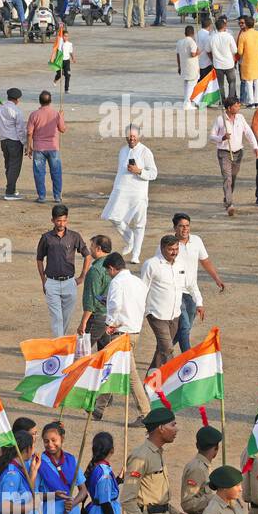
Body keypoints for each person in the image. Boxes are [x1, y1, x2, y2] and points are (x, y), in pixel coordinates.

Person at [100, 126, 156, 265]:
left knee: (139, 225)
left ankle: (136, 254)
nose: (131, 139)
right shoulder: (123, 151)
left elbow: (153, 173)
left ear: (139, 136)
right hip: (121, 191)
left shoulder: (145, 152)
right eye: (129, 136)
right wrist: (115, 189)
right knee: (113, 216)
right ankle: (129, 238)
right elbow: (120, 172)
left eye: (134, 136)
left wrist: (139, 171)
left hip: (139, 194)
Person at [172, 213, 224, 352]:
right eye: (181, 226)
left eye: (187, 226)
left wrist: (216, 278)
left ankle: (163, 351)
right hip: (175, 291)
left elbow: (205, 261)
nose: (185, 229)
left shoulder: (196, 241)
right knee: (184, 326)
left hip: (191, 290)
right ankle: (188, 358)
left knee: (186, 327)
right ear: (175, 228)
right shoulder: (169, 244)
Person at [35, 204, 89, 338]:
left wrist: (82, 276)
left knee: (66, 317)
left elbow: (87, 255)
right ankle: (59, 346)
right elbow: (39, 259)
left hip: (69, 282)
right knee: (57, 318)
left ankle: (60, 341)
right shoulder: (46, 238)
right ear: (52, 220)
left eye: (64, 220)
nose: (62, 223)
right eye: (59, 220)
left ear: (67, 220)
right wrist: (43, 281)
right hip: (51, 282)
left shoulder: (74, 236)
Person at [139, 235, 187, 370]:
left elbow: (186, 284)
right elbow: (143, 289)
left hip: (175, 314)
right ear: (162, 248)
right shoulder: (151, 265)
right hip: (156, 314)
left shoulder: (180, 264)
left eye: (176, 249)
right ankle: (176, 378)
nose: (175, 252)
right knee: (167, 349)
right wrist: (139, 312)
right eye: (171, 249)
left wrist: (198, 300)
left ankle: (150, 385)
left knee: (161, 350)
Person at [209, 97, 258, 217]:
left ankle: (227, 197)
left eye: (238, 105)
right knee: (228, 178)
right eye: (236, 106)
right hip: (224, 152)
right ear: (229, 108)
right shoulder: (220, 120)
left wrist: (255, 147)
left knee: (233, 178)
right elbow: (211, 136)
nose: (238, 107)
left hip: (238, 152)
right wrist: (222, 138)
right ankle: (229, 204)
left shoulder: (240, 118)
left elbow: (248, 132)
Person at [25, 90, 66, 203]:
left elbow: (29, 133)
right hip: (53, 147)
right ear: (50, 101)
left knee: (39, 173)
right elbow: (63, 129)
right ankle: (57, 196)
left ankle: (42, 196)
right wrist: (61, 117)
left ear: (40, 101)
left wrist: (28, 146)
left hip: (39, 148)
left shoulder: (34, 115)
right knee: (56, 172)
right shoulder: (56, 114)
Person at [0, 88, 27, 200]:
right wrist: (25, 143)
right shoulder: (16, 111)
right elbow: (21, 130)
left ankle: (12, 189)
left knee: (8, 165)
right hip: (15, 141)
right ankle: (10, 192)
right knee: (14, 167)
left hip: (3, 141)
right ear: (17, 99)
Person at [236, 16, 258, 107]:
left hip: (247, 62)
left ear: (246, 25)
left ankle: (251, 102)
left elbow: (240, 51)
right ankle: (257, 102)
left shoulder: (243, 35)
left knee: (249, 83)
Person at [208, 16, 239, 100]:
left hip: (217, 65)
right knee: (232, 82)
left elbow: (208, 50)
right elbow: (235, 50)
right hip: (229, 64)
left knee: (220, 84)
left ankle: (222, 100)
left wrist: (212, 59)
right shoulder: (229, 36)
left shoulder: (212, 37)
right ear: (225, 26)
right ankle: (231, 99)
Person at [177, 24, 200, 106]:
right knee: (191, 85)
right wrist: (199, 51)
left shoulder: (180, 42)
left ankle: (186, 100)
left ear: (185, 33)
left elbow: (178, 55)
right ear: (193, 33)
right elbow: (193, 54)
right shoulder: (192, 42)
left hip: (183, 65)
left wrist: (179, 66)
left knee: (186, 84)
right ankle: (187, 103)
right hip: (192, 67)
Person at [51, 27, 74, 93]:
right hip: (59, 60)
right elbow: (55, 50)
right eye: (64, 36)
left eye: (67, 36)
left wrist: (73, 58)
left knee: (68, 75)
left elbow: (71, 52)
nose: (66, 37)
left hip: (67, 61)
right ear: (62, 36)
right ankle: (55, 80)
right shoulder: (60, 43)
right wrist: (52, 59)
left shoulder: (70, 44)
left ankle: (66, 89)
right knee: (60, 74)